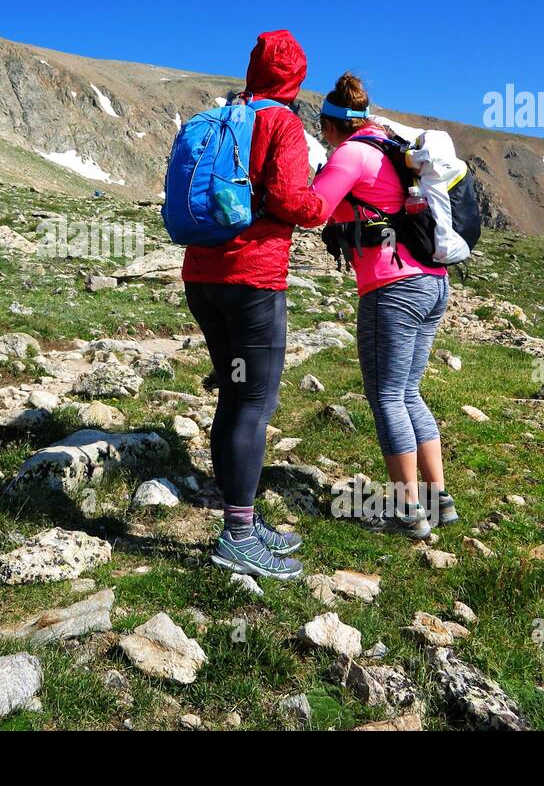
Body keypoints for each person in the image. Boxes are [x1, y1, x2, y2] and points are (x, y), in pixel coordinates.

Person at [182, 30, 327, 578]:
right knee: (252, 404)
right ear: (296, 78)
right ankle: (237, 536)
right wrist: (321, 206)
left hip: (203, 276)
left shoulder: (225, 116)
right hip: (252, 280)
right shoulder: (282, 123)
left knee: (235, 395)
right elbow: (291, 199)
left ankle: (240, 515)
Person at [299, 72, 456, 539]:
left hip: (393, 287)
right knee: (409, 392)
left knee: (386, 396)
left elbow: (314, 209)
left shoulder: (351, 154)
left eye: (323, 126)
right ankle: (438, 499)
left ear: (331, 124)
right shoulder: (390, 146)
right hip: (432, 280)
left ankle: (408, 512)